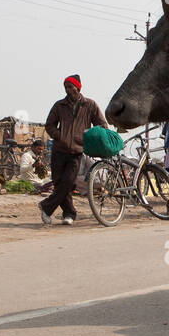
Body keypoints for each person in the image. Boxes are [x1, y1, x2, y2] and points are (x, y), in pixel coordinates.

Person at [39, 75, 107, 225]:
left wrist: (90, 136)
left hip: (77, 151)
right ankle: (69, 213)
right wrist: (60, 135)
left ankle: (46, 206)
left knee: (69, 182)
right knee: (59, 183)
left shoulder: (90, 105)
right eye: (66, 87)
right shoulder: (59, 106)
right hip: (58, 150)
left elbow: (102, 125)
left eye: (71, 87)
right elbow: (49, 125)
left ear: (78, 87)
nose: (68, 90)